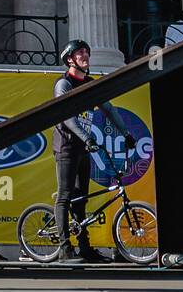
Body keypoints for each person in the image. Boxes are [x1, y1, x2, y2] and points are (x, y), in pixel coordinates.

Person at [52, 40, 134, 263]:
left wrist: (126, 134)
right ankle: (64, 249)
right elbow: (67, 117)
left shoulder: (90, 83)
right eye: (80, 52)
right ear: (70, 59)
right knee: (65, 196)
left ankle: (85, 248)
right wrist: (87, 138)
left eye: (87, 52)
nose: (85, 55)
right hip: (67, 147)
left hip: (83, 148)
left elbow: (108, 109)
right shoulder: (64, 84)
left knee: (81, 199)